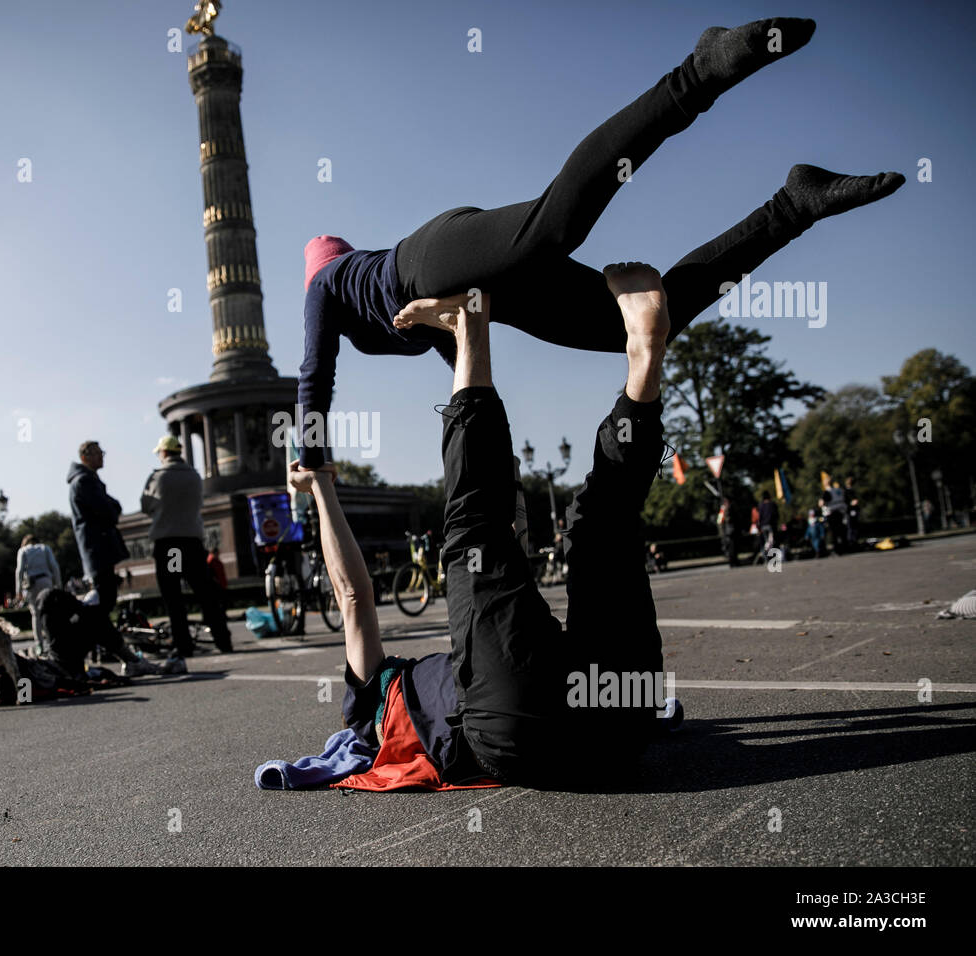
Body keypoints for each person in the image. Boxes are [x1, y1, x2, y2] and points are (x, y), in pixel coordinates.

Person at [295, 17, 904, 467]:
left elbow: (313, 378)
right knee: (639, 329)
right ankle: (792, 207)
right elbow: (460, 359)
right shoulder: (376, 309)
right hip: (483, 300)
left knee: (556, 227)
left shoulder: (325, 285)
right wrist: (493, 453)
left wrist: (311, 459)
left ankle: (697, 74)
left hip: (428, 260)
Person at [281, 261, 677, 789]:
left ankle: (644, 364)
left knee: (603, 529)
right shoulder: (371, 695)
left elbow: (355, 597)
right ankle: (472, 324)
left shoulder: (385, 700)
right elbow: (354, 596)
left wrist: (318, 490)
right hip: (522, 718)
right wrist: (322, 487)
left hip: (623, 719)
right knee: (479, 527)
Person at [141, 435, 233, 656]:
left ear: (164, 453)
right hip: (192, 542)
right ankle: (223, 640)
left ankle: (183, 644)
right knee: (205, 593)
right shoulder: (194, 475)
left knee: (174, 595)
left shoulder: (158, 477)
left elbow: (146, 505)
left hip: (171, 545)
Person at [68, 440, 131, 609]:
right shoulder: (84, 481)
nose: (101, 457)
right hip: (98, 548)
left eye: (102, 452)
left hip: (97, 549)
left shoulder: (87, 480)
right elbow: (108, 510)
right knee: (105, 597)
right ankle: (102, 635)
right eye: (97, 453)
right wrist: (113, 509)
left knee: (105, 595)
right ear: (84, 457)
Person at [15, 534, 62, 655]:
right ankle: (53, 641)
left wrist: (18, 590)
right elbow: (54, 566)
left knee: (35, 614)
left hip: (32, 583)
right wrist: (58, 584)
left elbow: (19, 570)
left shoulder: (23, 551)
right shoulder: (44, 548)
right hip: (46, 580)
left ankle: (39, 644)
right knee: (50, 612)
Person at [755, 490, 779, 564]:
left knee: (766, 542)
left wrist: (759, 526)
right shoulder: (772, 504)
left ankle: (766, 557)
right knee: (771, 542)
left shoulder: (761, 505)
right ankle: (772, 558)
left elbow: (759, 517)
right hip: (771, 525)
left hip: (763, 526)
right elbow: (776, 515)